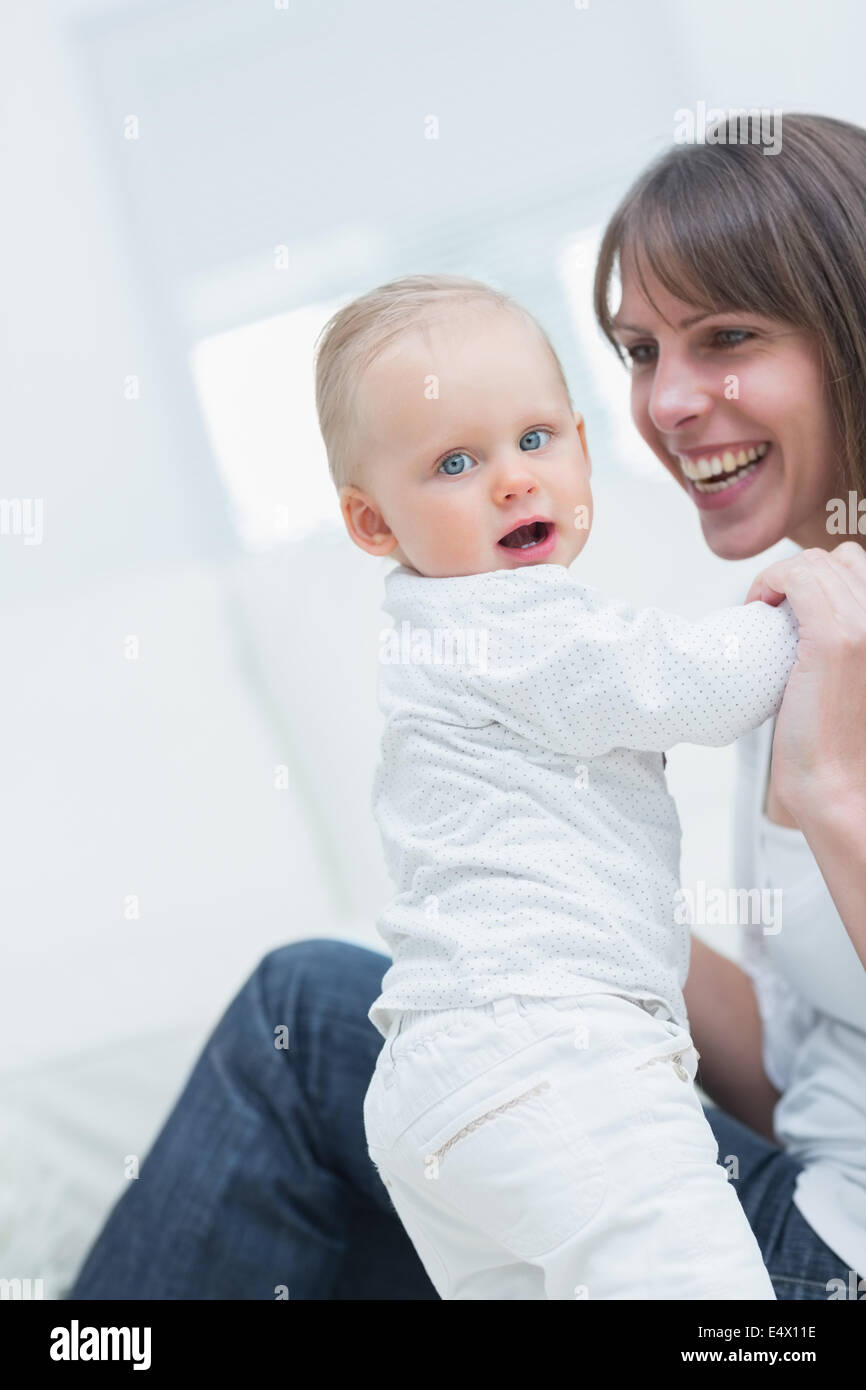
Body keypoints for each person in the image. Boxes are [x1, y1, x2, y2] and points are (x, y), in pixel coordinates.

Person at [69, 112, 866, 1301]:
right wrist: (534, 889)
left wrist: (832, 794)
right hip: (795, 1195)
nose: (668, 402)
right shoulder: (801, 624)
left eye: (727, 337)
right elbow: (803, 1078)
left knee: (304, 1024)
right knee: (359, 1032)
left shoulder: (796, 649)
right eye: (642, 352)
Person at [316, 270, 802, 1299]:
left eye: (535, 439)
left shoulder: (432, 639)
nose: (511, 480)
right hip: (554, 1057)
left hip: (436, 1090)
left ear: (581, 446)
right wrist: (805, 606)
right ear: (371, 524)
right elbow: (699, 686)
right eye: (454, 461)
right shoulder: (517, 625)